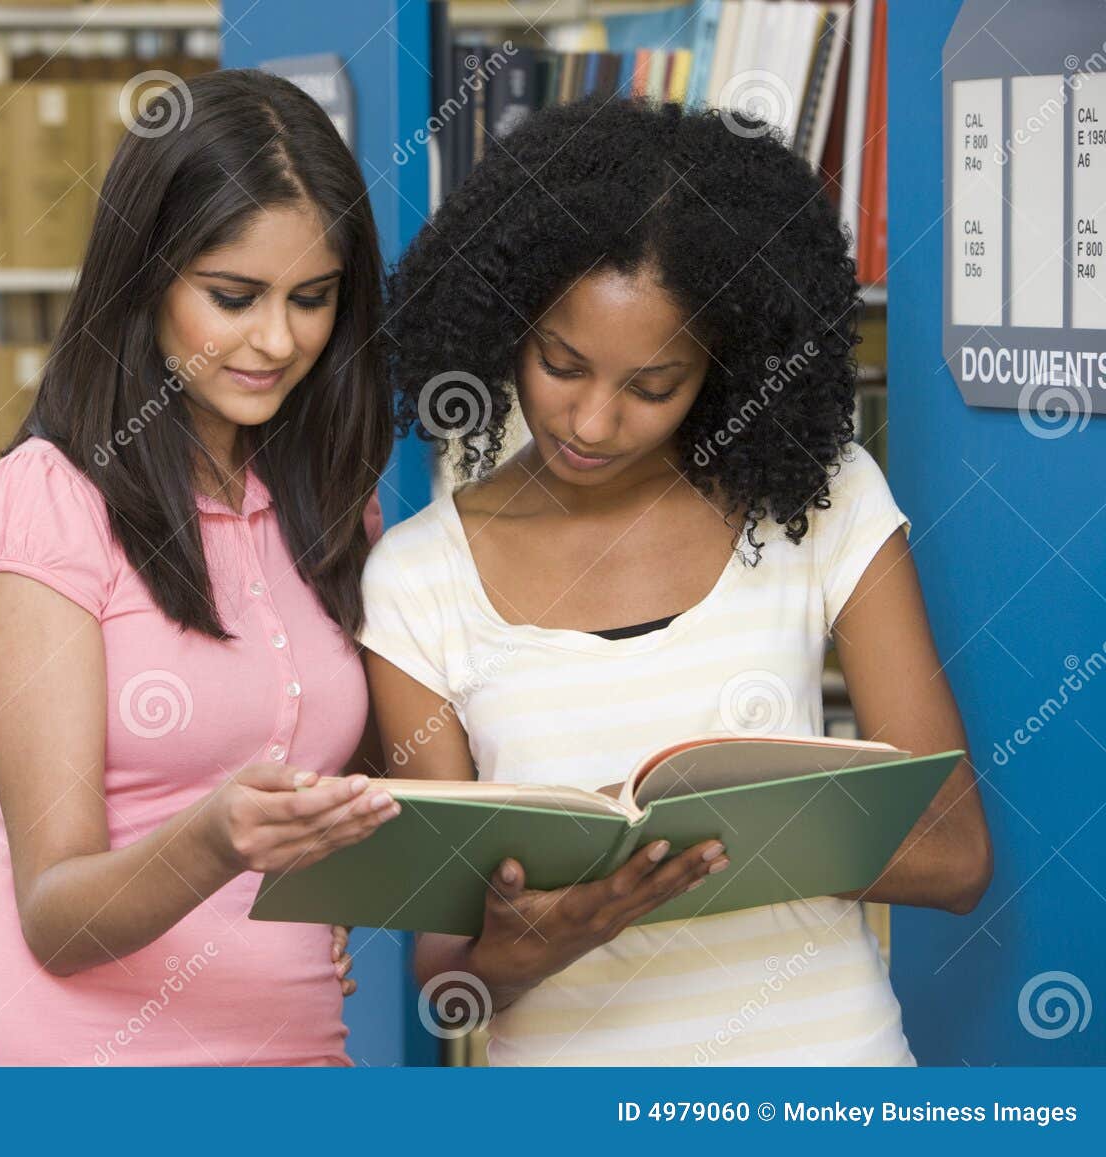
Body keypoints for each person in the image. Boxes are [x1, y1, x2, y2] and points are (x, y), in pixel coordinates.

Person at [361, 97, 994, 1066]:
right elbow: (450, 976)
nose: (591, 420)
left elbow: (952, 854)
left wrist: (689, 839)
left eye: (652, 386)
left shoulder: (816, 501)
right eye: (560, 363)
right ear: (507, 318)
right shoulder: (418, 575)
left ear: (722, 367)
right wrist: (548, 935)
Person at [0, 69, 396, 1066]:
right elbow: (56, 914)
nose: (277, 339)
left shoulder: (331, 499)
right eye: (233, 297)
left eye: (312, 300)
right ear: (145, 277)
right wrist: (216, 839)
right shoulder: (47, 502)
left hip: (293, 1058)